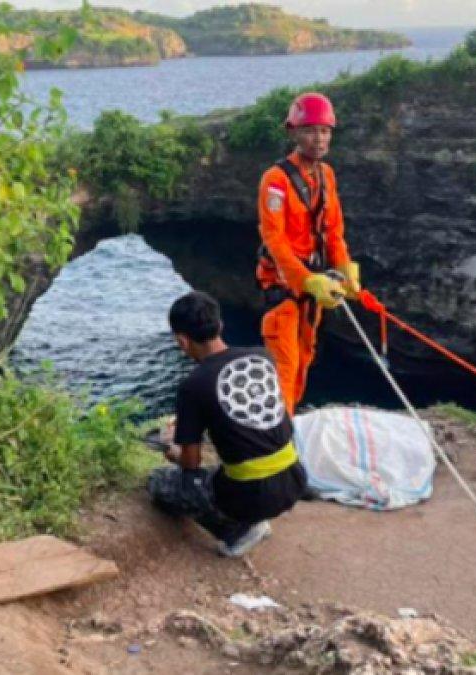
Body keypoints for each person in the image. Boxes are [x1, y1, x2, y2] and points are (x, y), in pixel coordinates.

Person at [148, 291, 308, 558]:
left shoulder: (193, 386)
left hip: (252, 496)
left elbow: (191, 463)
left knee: (162, 483)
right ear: (220, 326)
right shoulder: (263, 357)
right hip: (295, 478)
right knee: (229, 471)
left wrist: (173, 451)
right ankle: (251, 514)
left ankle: (237, 531)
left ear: (181, 341)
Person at [255, 91, 384, 415]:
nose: (319, 138)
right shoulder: (276, 181)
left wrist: (344, 269)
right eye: (311, 130)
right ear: (294, 133)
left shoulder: (326, 176)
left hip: (314, 284)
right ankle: (280, 436)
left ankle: (288, 419)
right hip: (284, 286)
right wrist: (306, 280)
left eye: (324, 131)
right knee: (286, 362)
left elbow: (333, 231)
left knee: (306, 357)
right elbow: (274, 239)